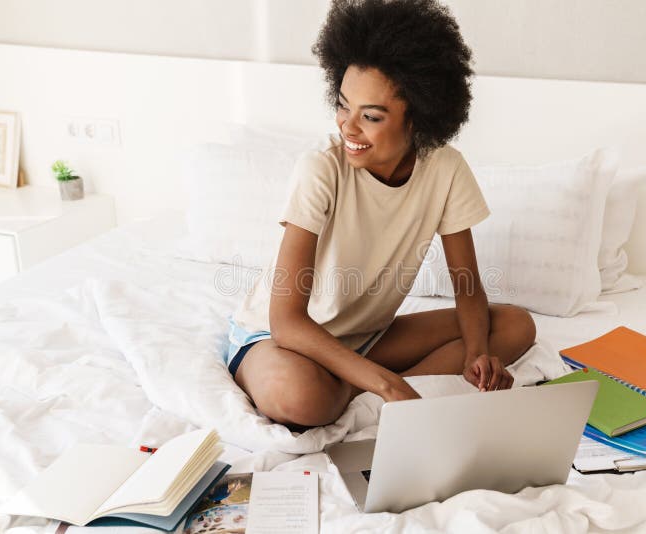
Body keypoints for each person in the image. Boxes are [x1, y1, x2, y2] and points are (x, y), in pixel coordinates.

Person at [226, 0, 536, 429]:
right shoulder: (321, 170)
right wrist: (389, 386)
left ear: (419, 119)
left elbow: (467, 286)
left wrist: (478, 353)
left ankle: (350, 385)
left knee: (515, 325)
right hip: (281, 340)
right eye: (343, 105)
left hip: (365, 339)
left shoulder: (445, 168)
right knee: (300, 399)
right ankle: (368, 386)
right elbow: (287, 322)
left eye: (370, 116)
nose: (348, 127)